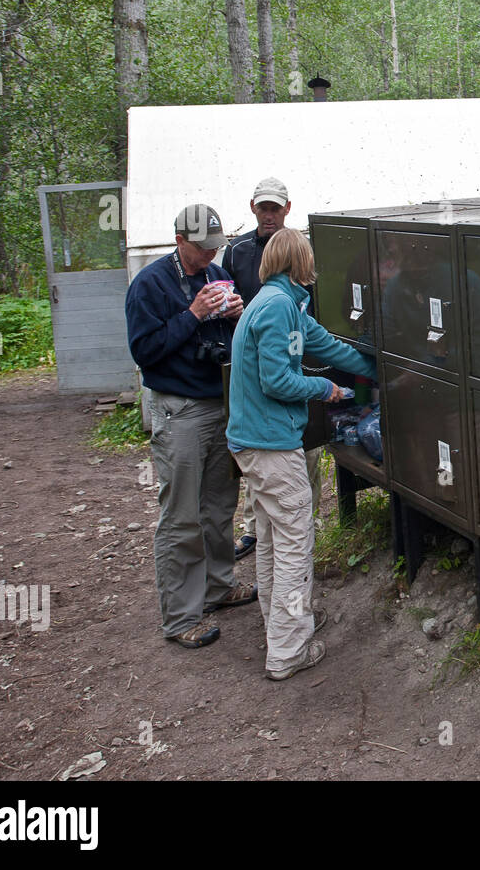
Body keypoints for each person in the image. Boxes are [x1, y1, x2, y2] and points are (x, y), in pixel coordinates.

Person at [227, 227, 375, 680]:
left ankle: (281, 627)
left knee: (273, 540)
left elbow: (325, 343)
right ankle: (290, 650)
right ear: (299, 265)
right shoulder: (276, 309)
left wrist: (376, 369)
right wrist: (326, 388)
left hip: (256, 442)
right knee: (295, 542)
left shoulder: (281, 303)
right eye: (309, 262)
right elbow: (277, 382)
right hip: (270, 444)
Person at [125, 204, 258, 649]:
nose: (209, 255)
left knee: (219, 507)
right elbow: (144, 352)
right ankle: (181, 616)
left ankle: (218, 588)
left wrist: (237, 315)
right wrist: (194, 314)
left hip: (219, 402)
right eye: (202, 248)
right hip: (178, 409)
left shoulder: (215, 275)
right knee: (181, 516)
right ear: (179, 239)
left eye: (214, 247)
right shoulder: (150, 285)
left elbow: (229, 340)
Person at [223, 177, 325, 560]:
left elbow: (312, 306)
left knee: (302, 446)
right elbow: (225, 290)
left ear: (287, 209)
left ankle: (304, 518)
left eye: (276, 208)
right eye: (263, 208)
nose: (269, 214)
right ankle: (257, 526)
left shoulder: (303, 249)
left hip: (295, 352)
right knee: (263, 450)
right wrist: (231, 307)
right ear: (253, 208)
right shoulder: (238, 251)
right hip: (253, 360)